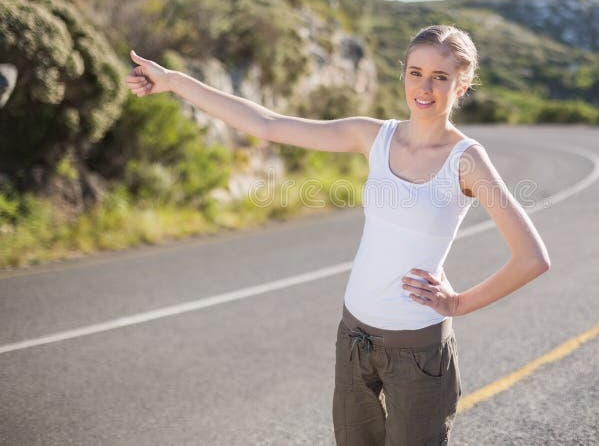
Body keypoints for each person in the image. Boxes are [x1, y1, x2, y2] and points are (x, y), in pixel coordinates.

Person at [126, 24, 551, 445]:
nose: (425, 87)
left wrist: (457, 303)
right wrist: (174, 82)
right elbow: (269, 124)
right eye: (416, 72)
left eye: (440, 77)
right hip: (353, 340)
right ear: (403, 73)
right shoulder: (373, 136)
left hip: (418, 353)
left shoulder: (467, 160)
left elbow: (532, 257)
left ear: (462, 85)